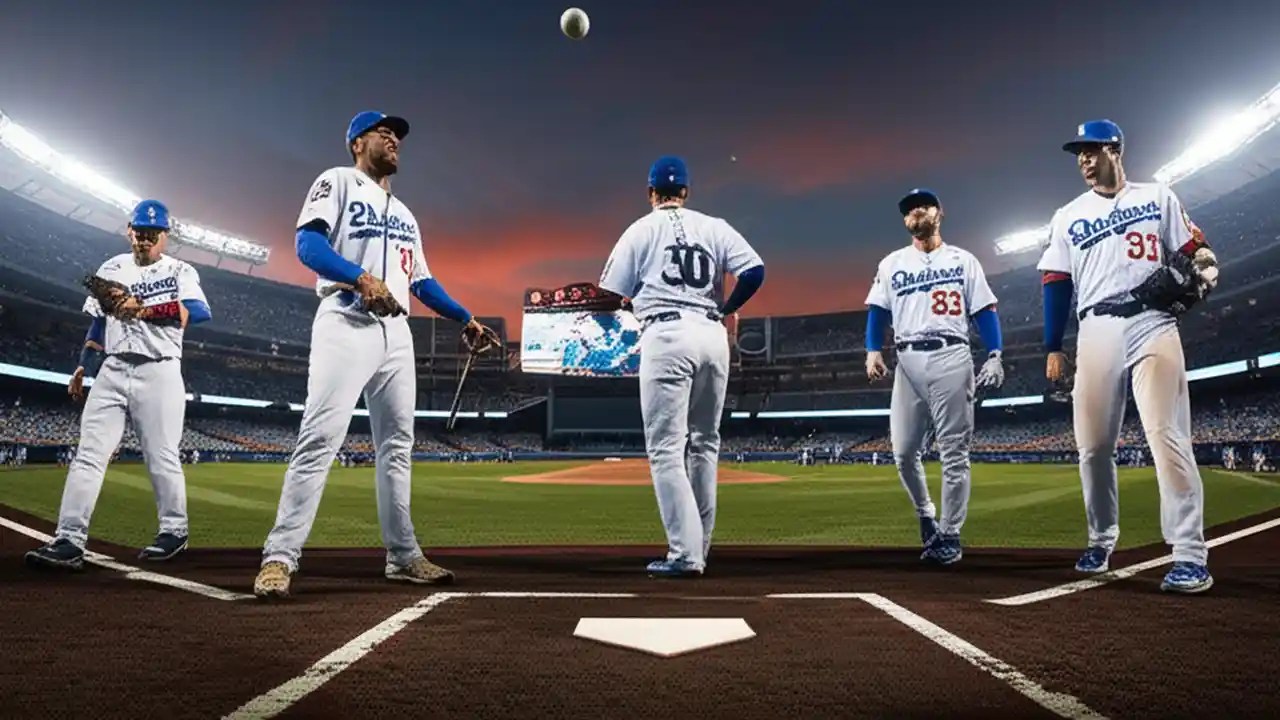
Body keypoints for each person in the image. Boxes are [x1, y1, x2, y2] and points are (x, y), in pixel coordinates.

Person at [253, 111, 499, 599]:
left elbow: (421, 283)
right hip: (345, 321)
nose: (394, 139)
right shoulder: (337, 181)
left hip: (395, 336)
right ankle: (280, 556)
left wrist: (465, 318)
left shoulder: (406, 215)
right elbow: (307, 244)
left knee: (398, 447)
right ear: (356, 142)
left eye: (398, 135)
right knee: (320, 436)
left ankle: (403, 555)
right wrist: (359, 277)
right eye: (383, 132)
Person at [1039, 119, 1219, 593]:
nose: (1082, 159)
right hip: (1095, 329)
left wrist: (1205, 273)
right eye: (1077, 153)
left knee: (1166, 434)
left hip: (1153, 323)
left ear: (1114, 149)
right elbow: (1056, 282)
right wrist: (1053, 346)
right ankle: (1101, 538)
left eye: (1090, 150)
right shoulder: (1067, 215)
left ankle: (1188, 553)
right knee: (1093, 448)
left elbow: (1198, 252)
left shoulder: (1157, 196)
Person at [598, 155, 765, 577]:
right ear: (686, 192)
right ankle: (700, 546)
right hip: (712, 335)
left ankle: (685, 554)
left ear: (651, 193)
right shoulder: (714, 226)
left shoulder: (641, 229)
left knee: (666, 450)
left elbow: (609, 296)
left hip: (668, 335)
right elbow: (755, 272)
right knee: (706, 443)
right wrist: (726, 307)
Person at [25, 199, 211, 570]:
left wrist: (141, 310)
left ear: (165, 237)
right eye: (140, 233)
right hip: (111, 369)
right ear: (129, 231)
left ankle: (174, 531)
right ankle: (69, 539)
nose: (145, 240)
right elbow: (97, 324)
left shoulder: (180, 270)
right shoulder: (111, 267)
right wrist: (83, 365)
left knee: (162, 456)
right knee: (89, 455)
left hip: (159, 371)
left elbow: (197, 313)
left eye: (152, 235)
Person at [864, 188, 1005, 565]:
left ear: (939, 212)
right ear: (905, 221)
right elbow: (878, 309)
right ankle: (926, 513)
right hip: (907, 360)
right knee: (903, 452)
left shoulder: (963, 260)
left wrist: (994, 353)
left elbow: (984, 309)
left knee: (954, 454)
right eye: (909, 211)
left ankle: (951, 534)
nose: (916, 214)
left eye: (922, 207)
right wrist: (872, 349)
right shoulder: (892, 262)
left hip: (951, 355)